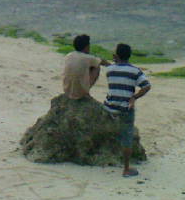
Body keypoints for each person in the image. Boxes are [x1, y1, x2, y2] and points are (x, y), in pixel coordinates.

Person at [102, 43, 151, 177]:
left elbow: (108, 65)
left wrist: (112, 61)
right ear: (129, 55)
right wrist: (134, 97)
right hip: (125, 108)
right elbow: (146, 86)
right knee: (127, 136)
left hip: (109, 107)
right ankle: (126, 168)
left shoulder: (110, 70)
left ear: (116, 55)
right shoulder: (135, 71)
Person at [62, 34, 110, 100]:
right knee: (97, 66)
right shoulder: (88, 58)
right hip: (79, 94)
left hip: (66, 90)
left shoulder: (69, 55)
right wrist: (112, 65)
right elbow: (102, 61)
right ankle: (86, 91)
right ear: (87, 47)